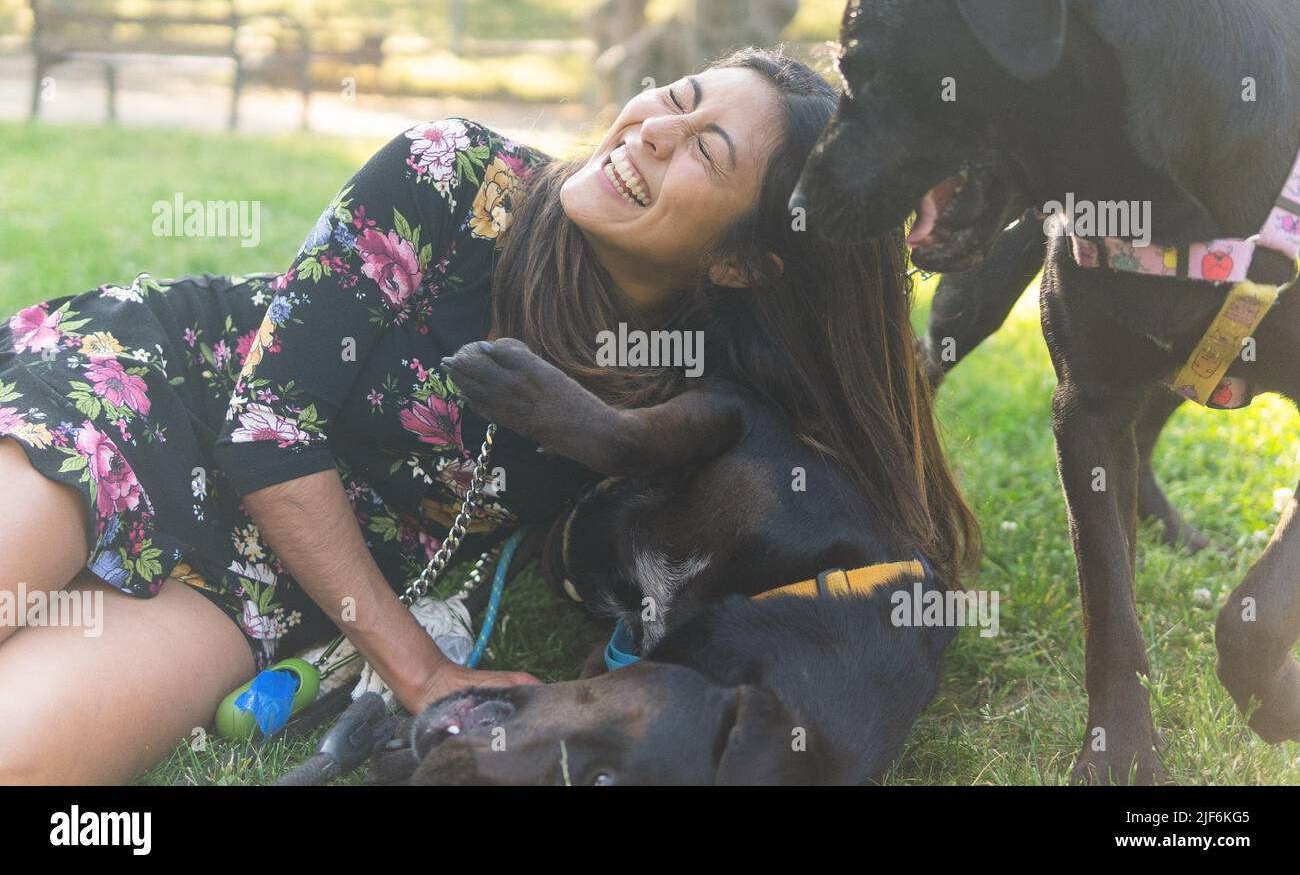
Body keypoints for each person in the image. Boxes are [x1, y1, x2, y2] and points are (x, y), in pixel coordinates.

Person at [0, 47, 978, 783]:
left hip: (261, 580)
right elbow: (267, 423)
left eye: (703, 148)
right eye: (673, 99)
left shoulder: (687, 387)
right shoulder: (456, 173)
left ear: (736, 262)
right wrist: (416, 667)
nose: (651, 131)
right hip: (137, 406)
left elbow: (821, 512)